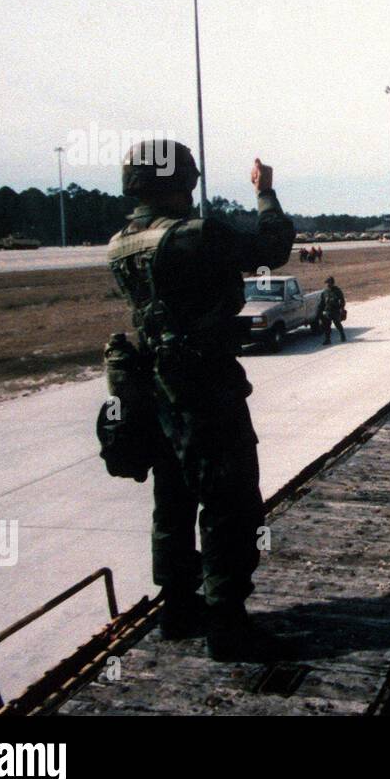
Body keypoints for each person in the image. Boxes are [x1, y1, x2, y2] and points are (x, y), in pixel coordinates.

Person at [106, 141, 295, 660]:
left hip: (152, 389)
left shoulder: (120, 242)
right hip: (203, 386)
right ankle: (228, 626)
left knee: (172, 500)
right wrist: (265, 192)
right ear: (182, 182)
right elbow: (272, 245)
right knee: (229, 503)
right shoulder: (193, 235)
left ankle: (178, 609)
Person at [317, 276, 347, 345]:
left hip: (335, 310)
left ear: (332, 283)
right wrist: (319, 312)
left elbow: (342, 300)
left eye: (329, 282)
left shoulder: (337, 291)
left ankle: (342, 336)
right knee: (326, 326)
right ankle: (327, 339)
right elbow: (322, 303)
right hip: (328, 311)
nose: (328, 284)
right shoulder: (325, 292)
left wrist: (342, 309)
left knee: (337, 324)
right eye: (327, 283)